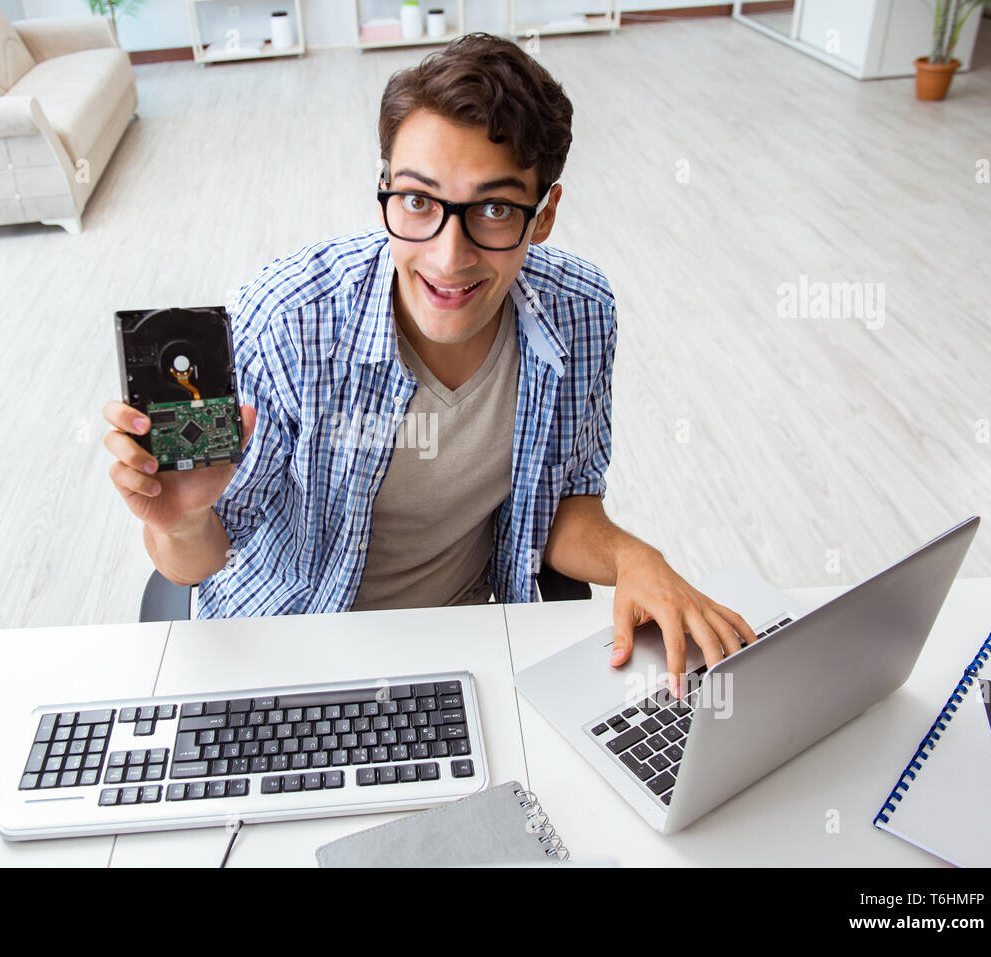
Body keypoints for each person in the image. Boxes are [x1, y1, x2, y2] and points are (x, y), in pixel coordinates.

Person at [103, 33, 755, 697]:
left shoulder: (579, 310)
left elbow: (559, 506)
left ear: (544, 214)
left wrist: (633, 556)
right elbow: (202, 558)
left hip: (463, 651)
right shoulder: (291, 319)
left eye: (495, 209)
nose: (449, 257)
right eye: (418, 201)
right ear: (385, 190)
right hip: (290, 645)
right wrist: (183, 520)